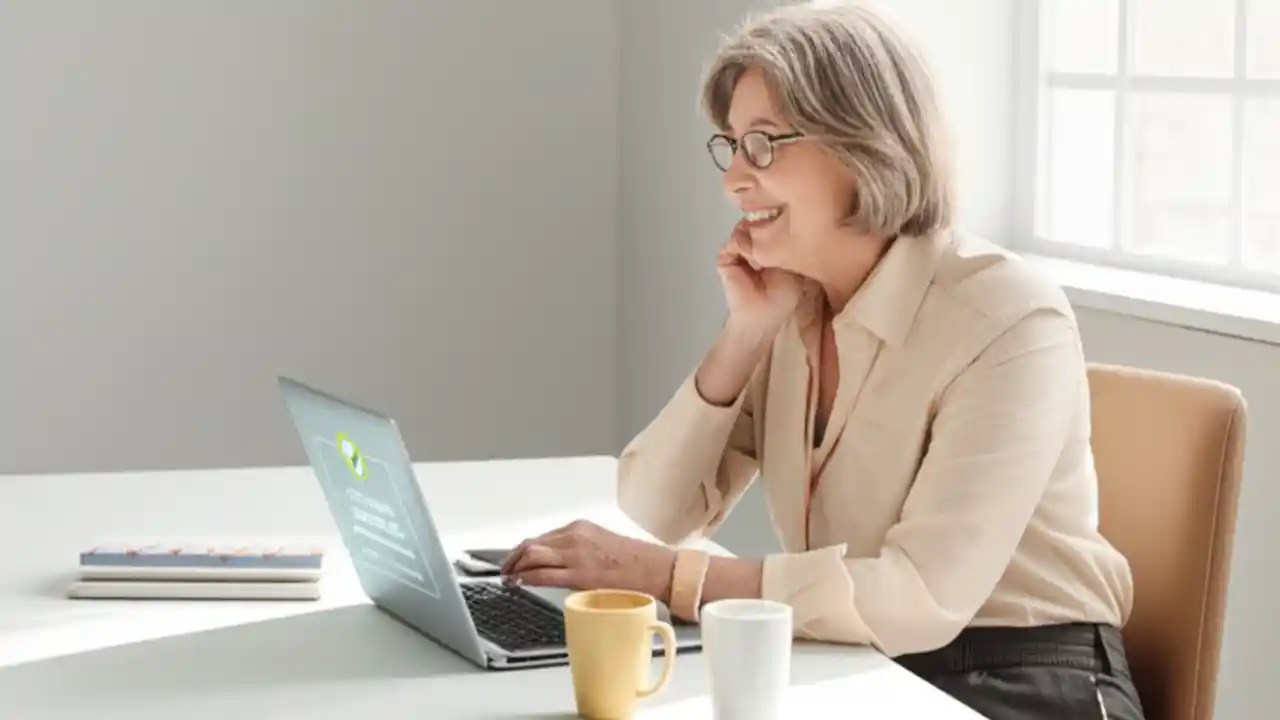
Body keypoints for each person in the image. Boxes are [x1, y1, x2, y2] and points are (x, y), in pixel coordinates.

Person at [501, 3, 1145, 717]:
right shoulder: (794, 309)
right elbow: (656, 509)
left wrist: (673, 579)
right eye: (732, 146)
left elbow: (920, 597)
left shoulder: (1009, 317)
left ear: (864, 144)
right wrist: (742, 335)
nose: (734, 181)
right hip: (865, 663)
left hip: (1027, 681)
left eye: (765, 145)